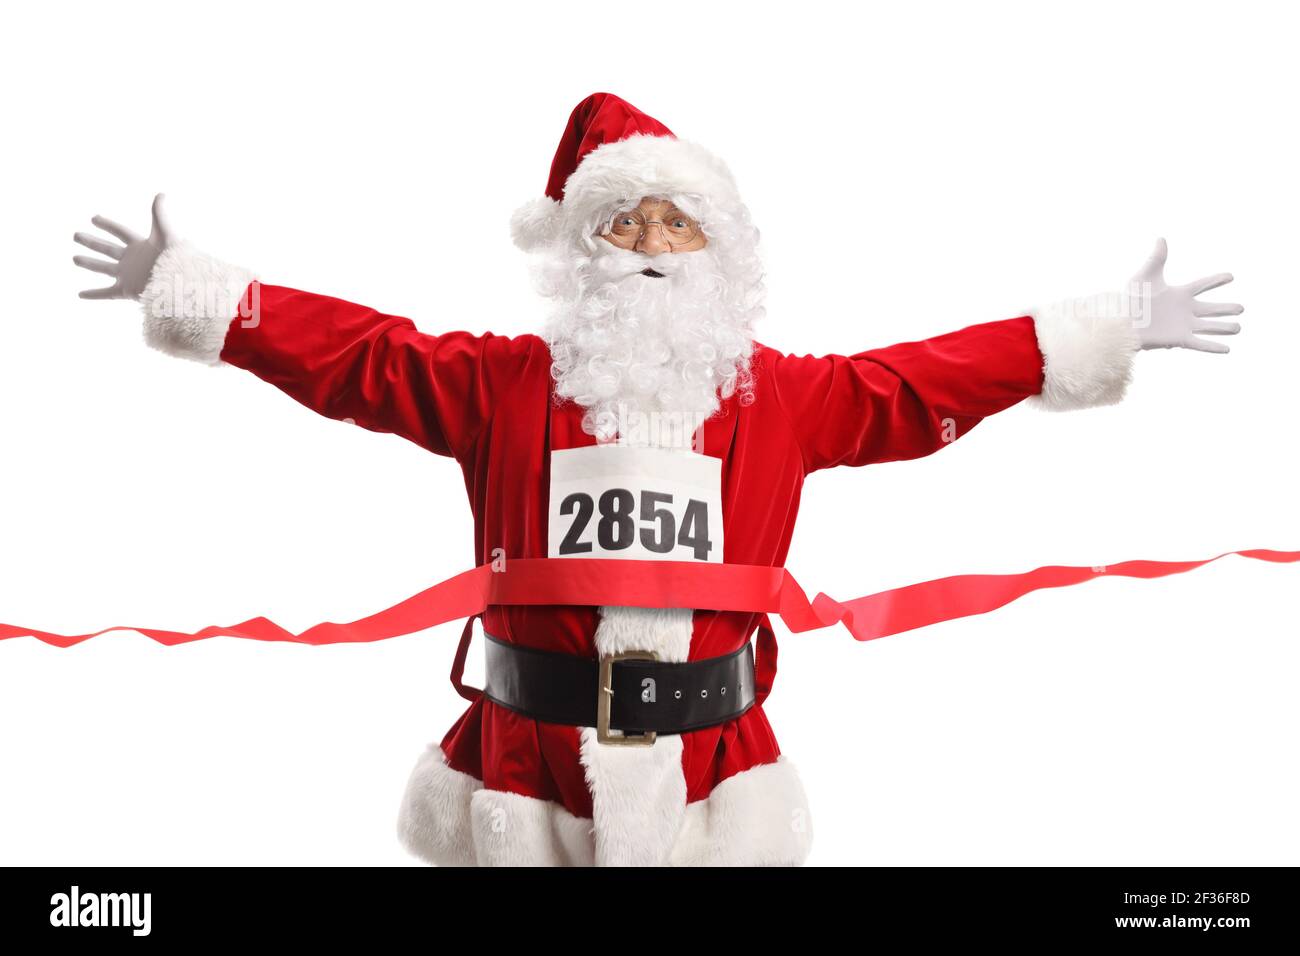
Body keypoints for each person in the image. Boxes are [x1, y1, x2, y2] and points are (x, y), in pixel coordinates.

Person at [72, 92, 1243, 866]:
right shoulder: (502, 384)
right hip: (523, 764)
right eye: (619, 223)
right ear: (582, 251)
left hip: (712, 769)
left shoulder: (776, 398)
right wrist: (206, 295)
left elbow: (920, 378)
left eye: (673, 224)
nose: (644, 244)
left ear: (718, 255)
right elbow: (360, 359)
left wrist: (1109, 329)